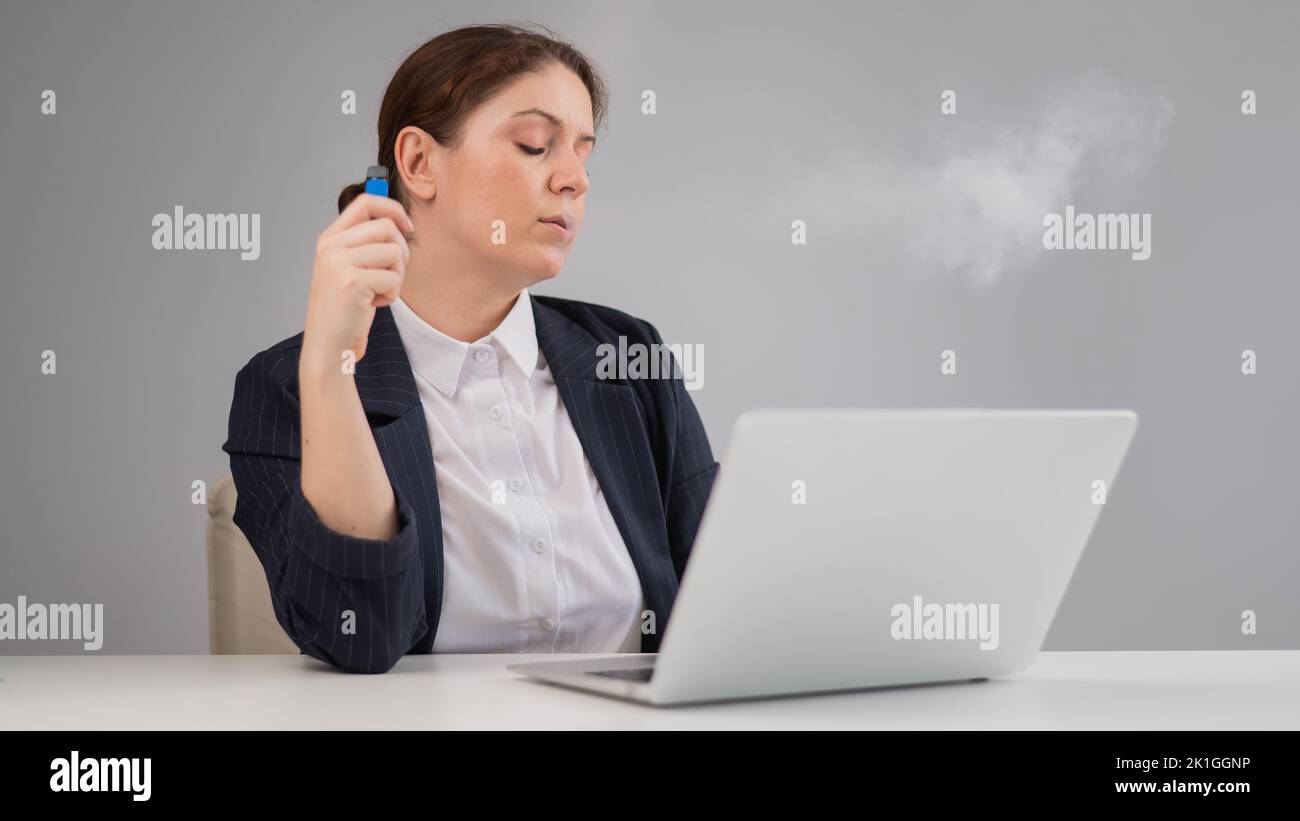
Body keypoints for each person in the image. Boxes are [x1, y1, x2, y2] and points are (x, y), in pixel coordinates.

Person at [221, 23, 718, 674]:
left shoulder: (627, 355)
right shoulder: (285, 386)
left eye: (584, 153)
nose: (575, 179)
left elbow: (721, 605)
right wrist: (331, 365)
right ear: (420, 164)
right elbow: (359, 634)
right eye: (536, 145)